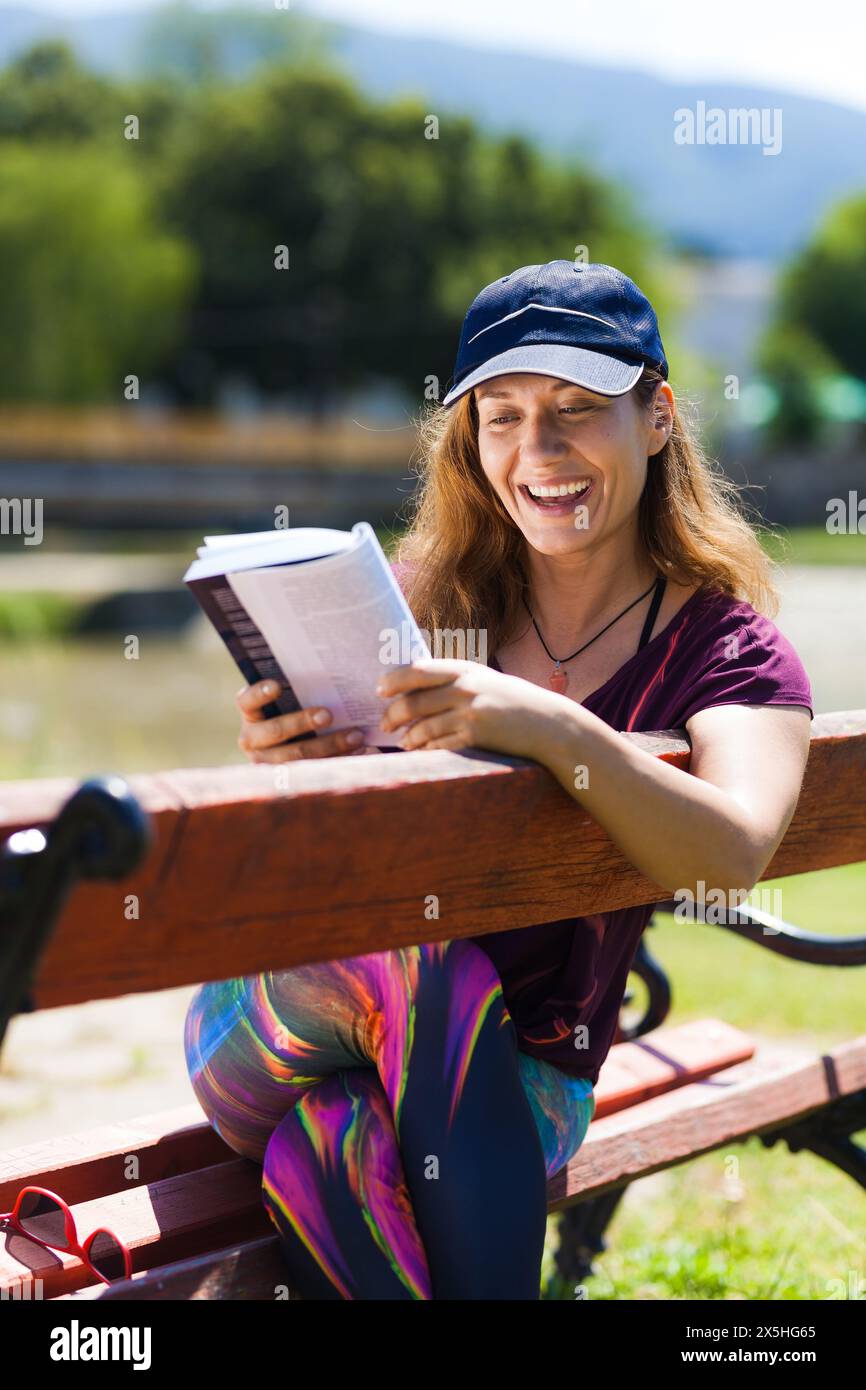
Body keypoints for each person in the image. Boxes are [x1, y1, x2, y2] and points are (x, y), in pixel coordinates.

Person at [183, 260, 813, 1300]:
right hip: (276, 1025)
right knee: (422, 956)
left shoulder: (725, 651)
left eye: (575, 411)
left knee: (328, 1150)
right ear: (470, 443)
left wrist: (542, 724)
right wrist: (289, 761)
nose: (538, 452)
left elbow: (732, 852)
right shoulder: (417, 601)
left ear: (656, 418)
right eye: (503, 417)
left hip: (518, 1082)